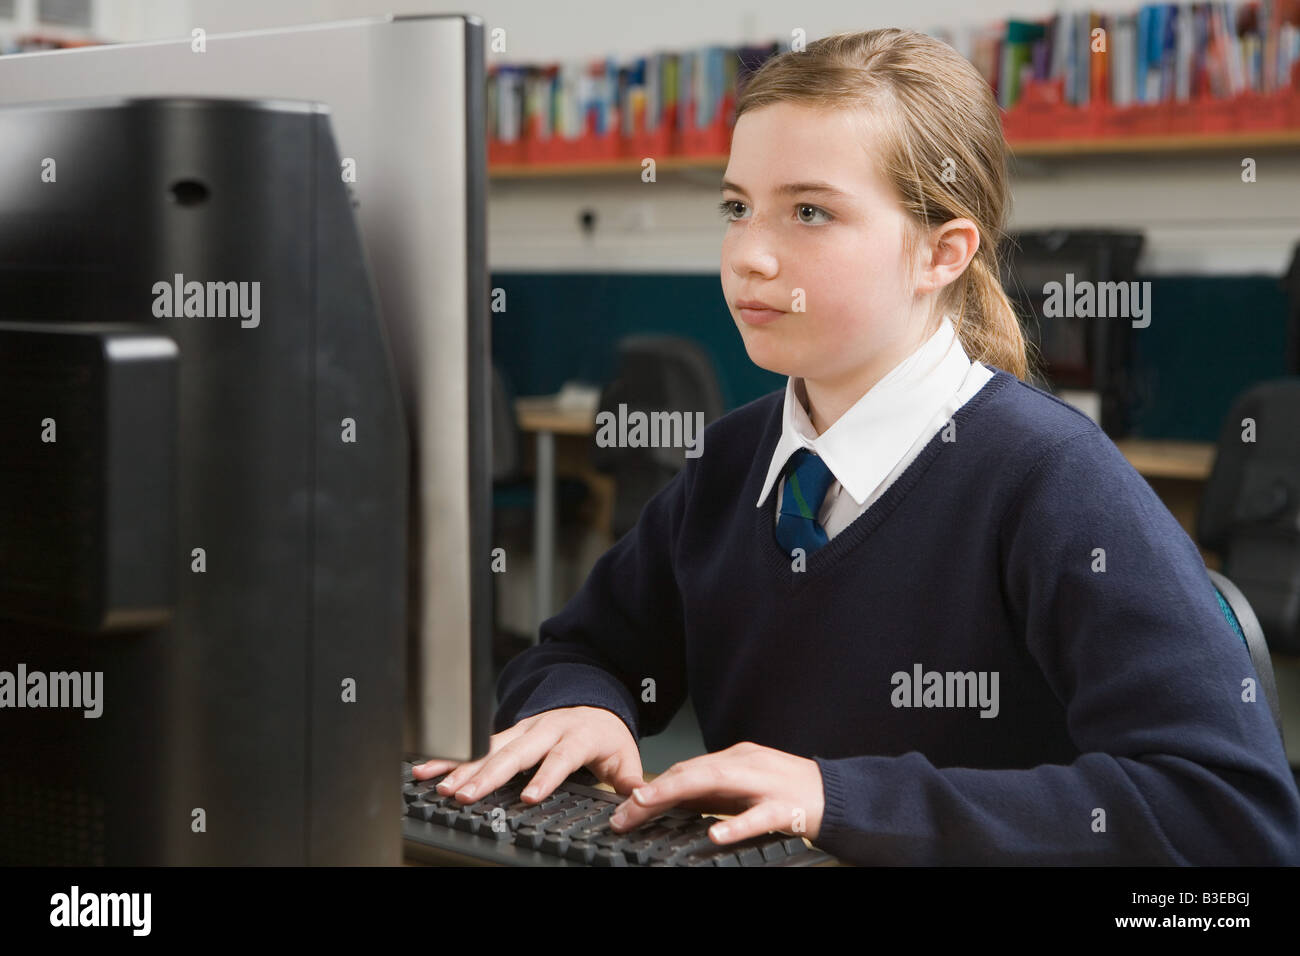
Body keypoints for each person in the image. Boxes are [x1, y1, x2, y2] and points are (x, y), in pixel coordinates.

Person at [413, 28, 1300, 864]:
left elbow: (1228, 814)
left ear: (941, 253)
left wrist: (837, 799)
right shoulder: (731, 464)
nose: (749, 255)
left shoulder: (1053, 482)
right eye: (736, 206)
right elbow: (580, 650)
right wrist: (585, 707)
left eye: (808, 211)